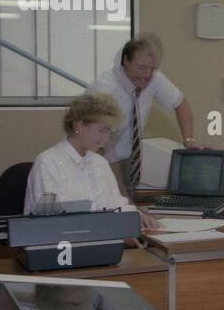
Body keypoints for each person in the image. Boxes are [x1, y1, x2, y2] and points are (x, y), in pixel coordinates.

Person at [88, 33, 203, 197]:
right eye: (141, 67)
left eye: (152, 68)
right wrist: (123, 196)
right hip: (98, 158)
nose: (147, 75)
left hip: (127, 159)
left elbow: (180, 103)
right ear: (126, 61)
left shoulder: (153, 78)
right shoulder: (105, 89)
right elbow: (105, 146)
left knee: (129, 210)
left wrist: (189, 140)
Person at [25, 92, 156, 231]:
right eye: (102, 130)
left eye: (109, 132)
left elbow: (117, 204)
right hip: (61, 247)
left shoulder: (100, 163)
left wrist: (138, 216)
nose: (106, 139)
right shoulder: (48, 163)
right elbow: (50, 221)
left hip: (98, 240)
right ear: (78, 126)